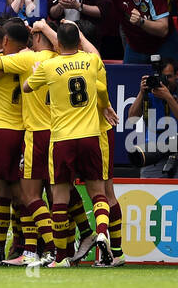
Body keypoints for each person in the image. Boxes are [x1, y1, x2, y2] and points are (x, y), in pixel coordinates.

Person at [23, 20, 117, 268]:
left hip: (62, 139)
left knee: (60, 198)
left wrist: (37, 73)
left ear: (58, 43)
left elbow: (26, 87)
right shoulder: (91, 61)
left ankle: (61, 256)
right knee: (98, 193)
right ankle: (102, 232)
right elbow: (101, 88)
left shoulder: (48, 66)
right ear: (78, 41)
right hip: (90, 137)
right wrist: (105, 105)